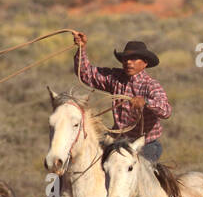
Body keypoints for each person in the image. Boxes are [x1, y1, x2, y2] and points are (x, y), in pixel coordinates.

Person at [72, 31, 171, 162]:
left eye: (134, 59)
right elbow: (86, 74)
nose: (129, 62)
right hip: (119, 141)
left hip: (145, 145)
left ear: (145, 63)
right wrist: (81, 48)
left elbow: (166, 110)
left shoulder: (150, 85)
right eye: (126, 59)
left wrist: (145, 102)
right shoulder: (115, 78)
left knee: (135, 176)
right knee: (90, 162)